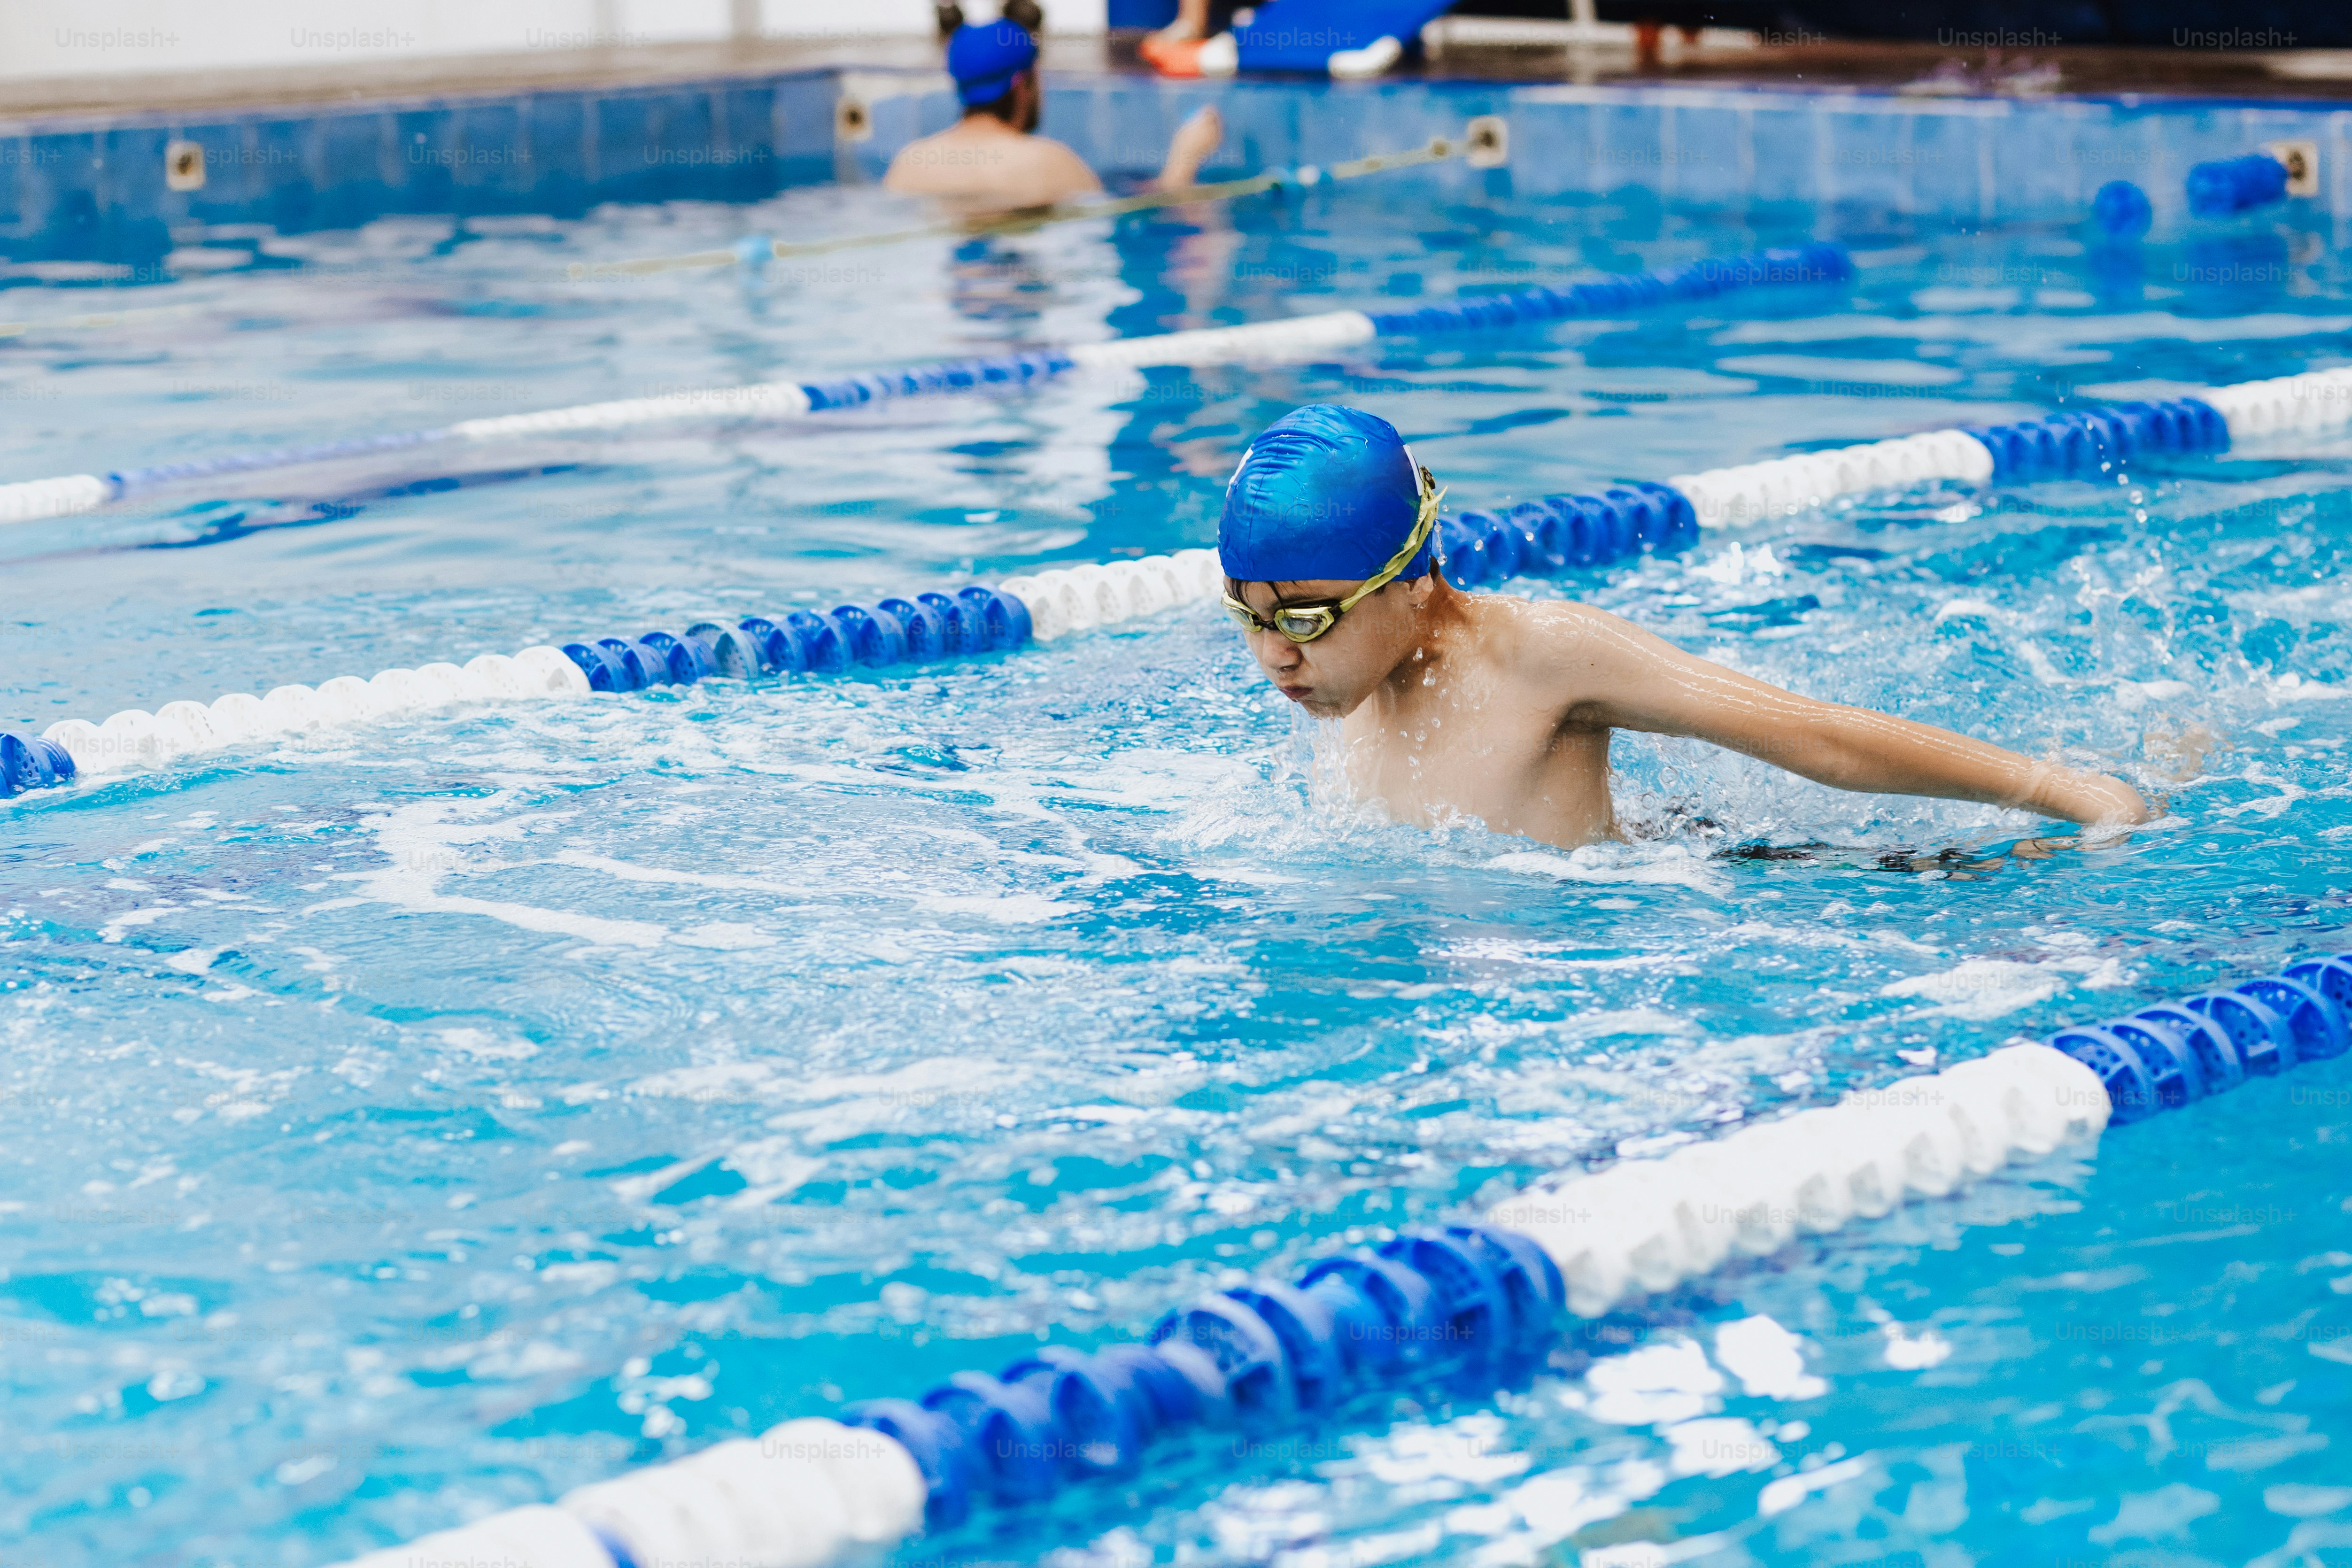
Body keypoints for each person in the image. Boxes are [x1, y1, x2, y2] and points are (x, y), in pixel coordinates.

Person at [1216, 404, 2154, 850]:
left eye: (1305, 615)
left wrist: (2066, 791)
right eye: (1249, 616)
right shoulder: (1348, 680)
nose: (1275, 654)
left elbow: (1804, 731)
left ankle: (2150, 761)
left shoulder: (1542, 655)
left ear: (1412, 583)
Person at [887, 4, 1224, 210]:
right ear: (1023, 86)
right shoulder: (1046, 165)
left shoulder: (909, 164)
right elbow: (1139, 215)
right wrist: (1184, 160)